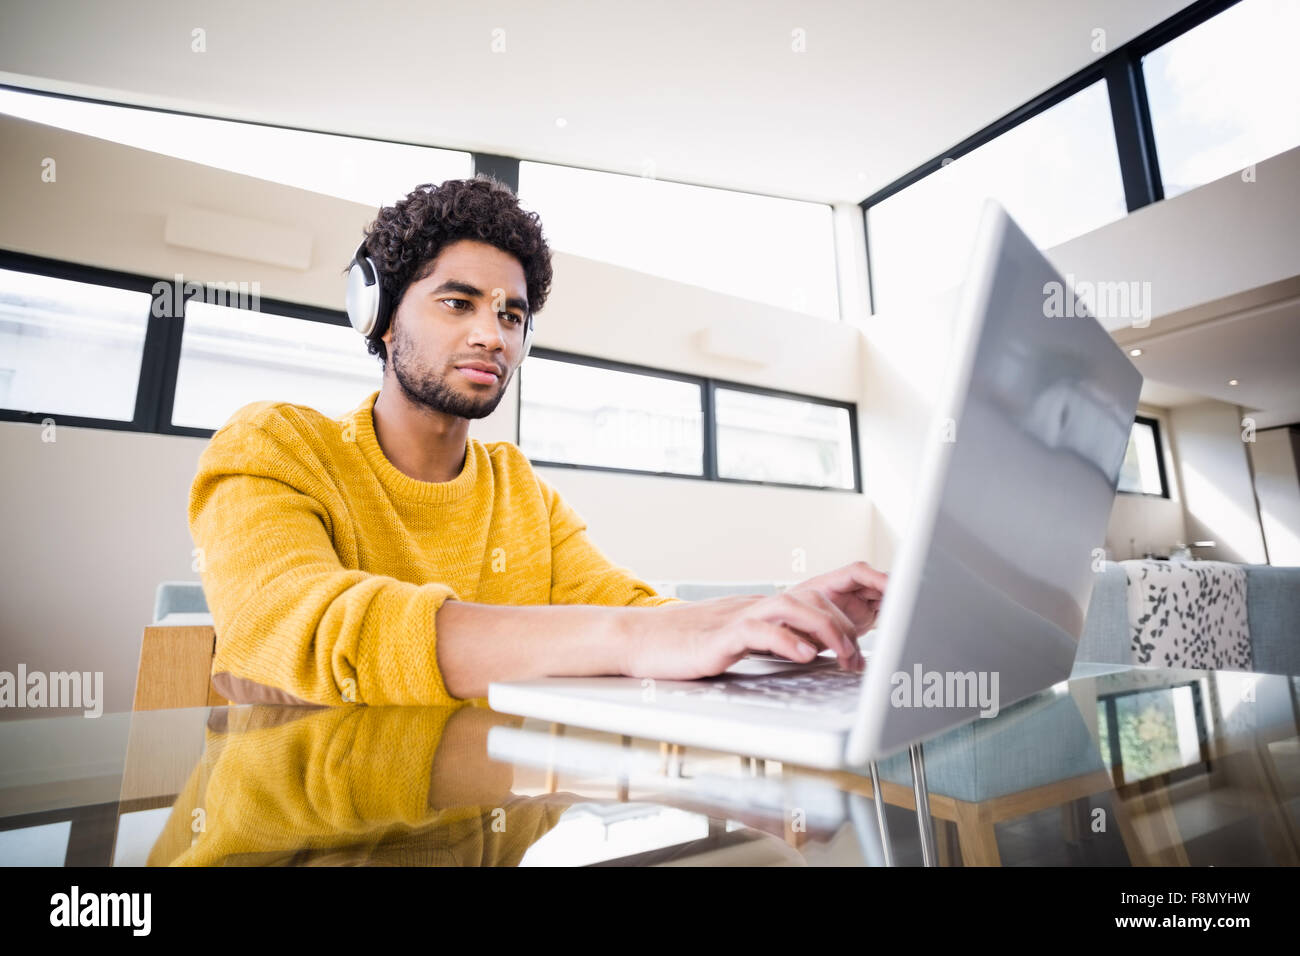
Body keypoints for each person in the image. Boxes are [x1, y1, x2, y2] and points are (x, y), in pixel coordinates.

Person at [187, 176, 887, 708]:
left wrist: (768, 618)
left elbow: (631, 613)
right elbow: (307, 630)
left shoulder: (517, 491)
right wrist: (633, 638)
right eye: (458, 303)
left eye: (511, 314)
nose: (493, 335)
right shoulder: (274, 447)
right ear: (380, 318)